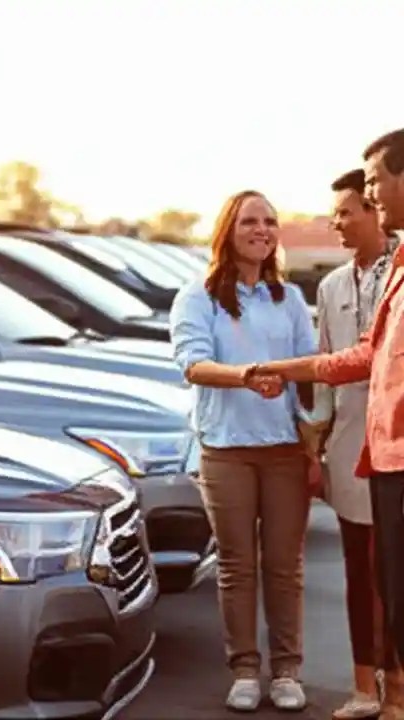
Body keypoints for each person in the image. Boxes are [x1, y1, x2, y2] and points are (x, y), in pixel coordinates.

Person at [258, 129, 404, 720]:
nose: (367, 196)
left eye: (372, 184)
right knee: (383, 583)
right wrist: (280, 371)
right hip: (374, 454)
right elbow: (359, 356)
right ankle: (380, 693)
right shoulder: (378, 276)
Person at [169, 189, 318, 713]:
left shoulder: (290, 299)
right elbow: (191, 364)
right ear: (228, 231)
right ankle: (245, 671)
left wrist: (312, 437)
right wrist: (245, 377)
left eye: (270, 221)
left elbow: (308, 371)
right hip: (225, 449)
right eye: (251, 221)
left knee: (284, 565)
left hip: (283, 452)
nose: (262, 229)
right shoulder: (197, 296)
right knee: (236, 566)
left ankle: (287, 671)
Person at [309, 167, 401, 719]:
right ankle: (365, 688)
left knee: (395, 572)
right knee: (359, 572)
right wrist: (312, 449)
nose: (337, 222)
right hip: (347, 448)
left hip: (397, 445)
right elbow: (323, 382)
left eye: (347, 211)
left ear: (372, 210)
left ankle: (397, 687)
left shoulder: (403, 270)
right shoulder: (330, 286)